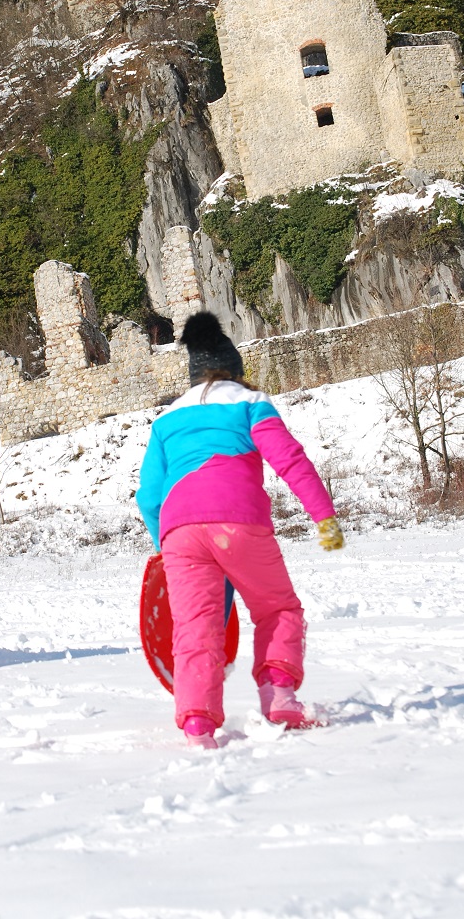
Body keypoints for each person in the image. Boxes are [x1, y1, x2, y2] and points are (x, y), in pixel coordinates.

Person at [136, 311, 344, 749]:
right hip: (239, 520)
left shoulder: (166, 420)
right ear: (235, 370)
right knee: (277, 609)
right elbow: (290, 460)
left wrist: (166, 546)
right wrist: (322, 516)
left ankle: (197, 723)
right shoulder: (251, 403)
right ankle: (280, 697)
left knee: (194, 625)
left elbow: (149, 496)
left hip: (180, 531)